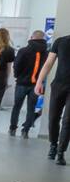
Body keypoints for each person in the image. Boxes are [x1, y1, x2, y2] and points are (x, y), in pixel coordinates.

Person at [33, 32, 70, 165]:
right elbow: (48, 63)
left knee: (67, 121)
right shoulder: (60, 41)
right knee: (53, 118)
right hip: (58, 85)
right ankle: (53, 145)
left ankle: (61, 152)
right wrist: (39, 81)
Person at [9, 29, 47, 137]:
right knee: (31, 107)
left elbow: (16, 66)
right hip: (36, 84)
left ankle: (12, 128)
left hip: (22, 82)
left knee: (17, 106)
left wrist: (18, 76)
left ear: (32, 37)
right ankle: (26, 130)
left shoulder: (23, 51)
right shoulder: (46, 52)